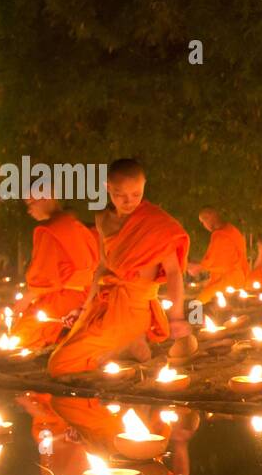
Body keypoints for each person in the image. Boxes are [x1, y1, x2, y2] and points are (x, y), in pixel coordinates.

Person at [47, 159, 191, 375]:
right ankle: (126, 346)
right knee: (61, 356)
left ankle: (125, 344)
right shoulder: (102, 219)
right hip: (106, 301)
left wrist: (177, 316)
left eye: (136, 194)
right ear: (107, 187)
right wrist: (84, 309)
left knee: (59, 365)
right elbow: (102, 267)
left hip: (134, 310)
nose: (128, 201)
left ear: (144, 186)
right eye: (119, 194)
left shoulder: (155, 223)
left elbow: (173, 271)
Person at [9, 190, 99, 349]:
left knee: (20, 335)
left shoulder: (51, 230)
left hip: (68, 295)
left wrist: (26, 300)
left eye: (31, 203)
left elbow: (44, 276)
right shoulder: (73, 224)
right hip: (87, 293)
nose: (29, 210)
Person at [188, 207, 249, 299]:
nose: (204, 225)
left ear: (210, 217)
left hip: (230, 280)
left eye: (203, 221)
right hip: (230, 278)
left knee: (199, 301)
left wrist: (200, 267)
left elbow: (221, 262)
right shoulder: (228, 231)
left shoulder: (223, 235)